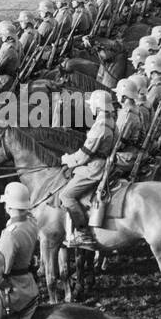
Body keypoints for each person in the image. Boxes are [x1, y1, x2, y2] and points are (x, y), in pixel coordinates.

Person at [59, 88, 115, 246]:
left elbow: (84, 155)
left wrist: (67, 159)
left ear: (97, 106)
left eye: (91, 105)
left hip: (94, 168)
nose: (89, 107)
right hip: (102, 162)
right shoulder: (111, 120)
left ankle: (83, 233)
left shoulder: (100, 127)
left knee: (66, 196)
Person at [0, 182, 39, 319]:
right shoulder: (31, 223)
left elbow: (3, 270)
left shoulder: (10, 234)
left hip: (15, 290)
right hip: (29, 282)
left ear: (8, 207)